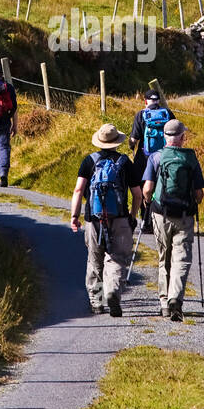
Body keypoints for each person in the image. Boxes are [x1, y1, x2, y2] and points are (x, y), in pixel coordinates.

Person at [70, 124, 143, 317]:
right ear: (116, 142)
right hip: (119, 217)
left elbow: (78, 190)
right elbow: (137, 194)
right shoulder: (126, 162)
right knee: (117, 258)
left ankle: (97, 301)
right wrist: (132, 216)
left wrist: (74, 216)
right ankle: (112, 293)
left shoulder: (89, 161)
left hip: (93, 219)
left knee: (95, 259)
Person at [142, 119, 204, 322]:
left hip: (161, 213)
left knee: (164, 258)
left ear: (164, 137)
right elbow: (199, 193)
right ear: (182, 137)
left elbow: (148, 188)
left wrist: (147, 203)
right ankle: (175, 298)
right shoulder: (191, 158)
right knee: (182, 258)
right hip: (184, 216)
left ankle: (164, 304)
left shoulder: (156, 157)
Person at [129, 91, 173, 230]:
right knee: (162, 187)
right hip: (164, 156)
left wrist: (131, 146)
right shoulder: (167, 113)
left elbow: (134, 139)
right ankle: (160, 221)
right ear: (158, 101)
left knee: (143, 188)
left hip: (144, 158)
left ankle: (145, 220)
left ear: (145, 101)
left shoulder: (141, 114)